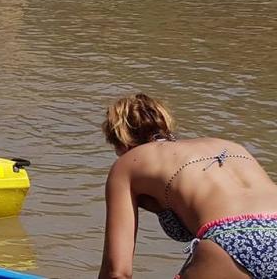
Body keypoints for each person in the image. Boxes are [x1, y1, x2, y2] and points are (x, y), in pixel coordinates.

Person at [99, 92, 277, 278]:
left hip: (234, 237)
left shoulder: (127, 163)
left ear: (120, 143)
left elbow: (117, 271)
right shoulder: (229, 145)